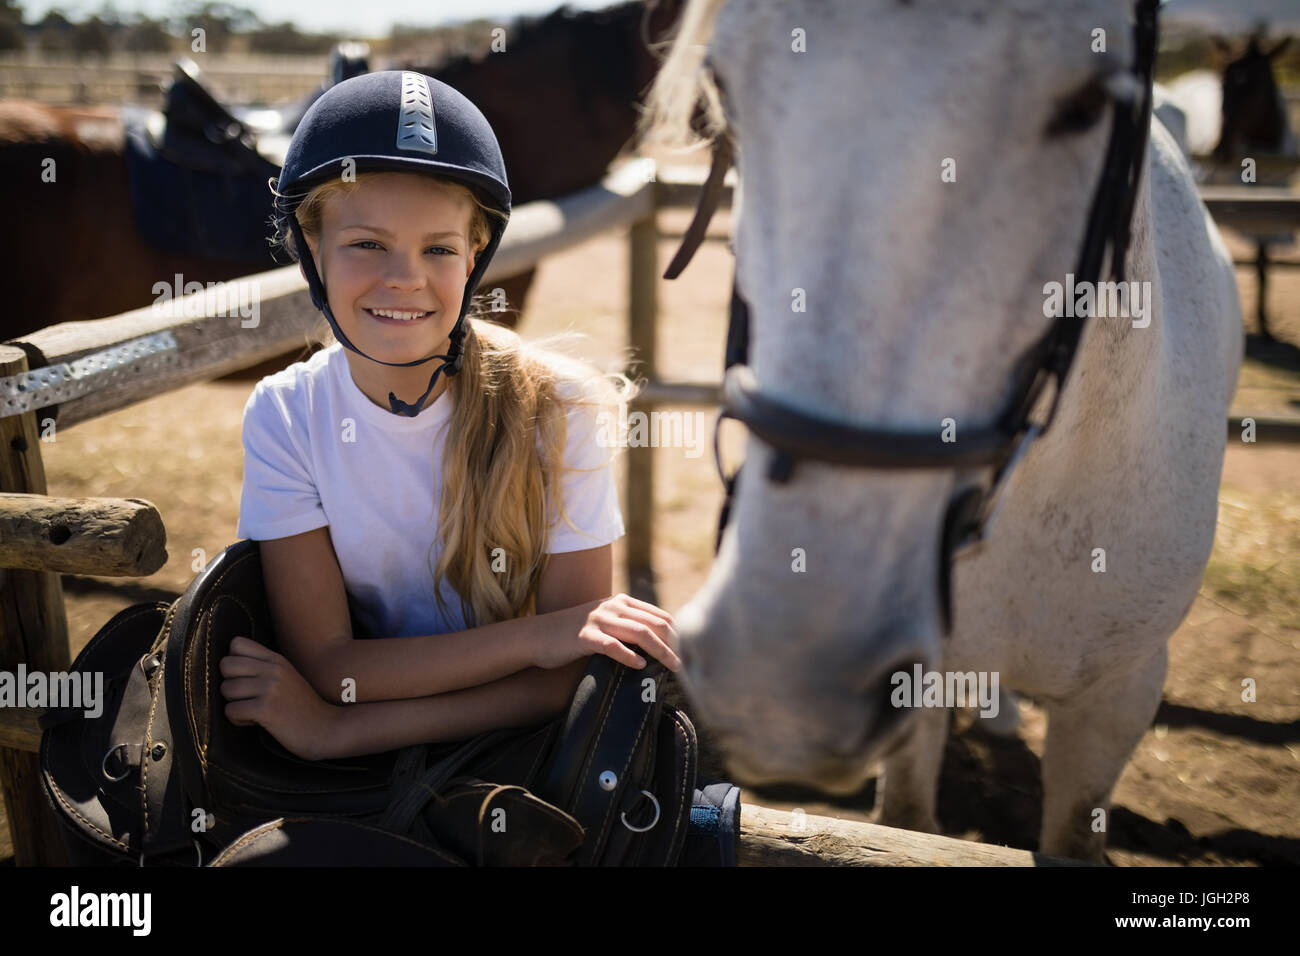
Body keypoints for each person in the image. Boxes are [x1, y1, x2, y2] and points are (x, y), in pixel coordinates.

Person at [219, 71, 680, 763]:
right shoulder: (288, 413)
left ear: (475, 257)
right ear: (312, 249)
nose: (404, 277)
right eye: (367, 243)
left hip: (527, 759)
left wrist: (341, 731)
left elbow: (569, 678)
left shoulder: (559, 408)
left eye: (437, 248)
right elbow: (330, 668)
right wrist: (533, 639)